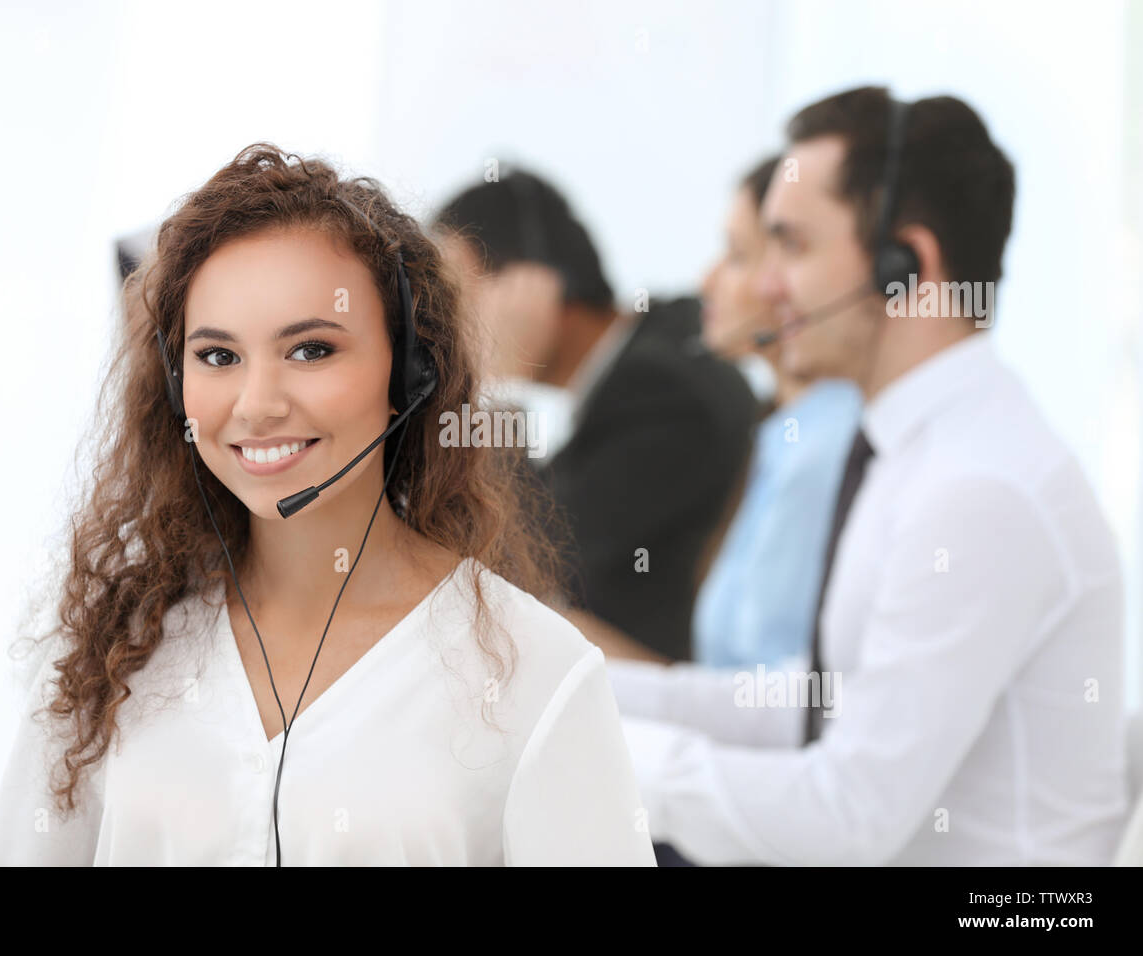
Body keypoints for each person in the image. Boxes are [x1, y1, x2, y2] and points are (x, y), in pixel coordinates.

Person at [0, 143, 656, 866]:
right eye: (217, 356)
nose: (258, 405)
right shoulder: (117, 646)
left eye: (310, 351)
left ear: (411, 370)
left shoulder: (534, 672)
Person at [606, 87, 1128, 865]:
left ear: (902, 265)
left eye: (792, 246)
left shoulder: (977, 487)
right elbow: (824, 701)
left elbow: (847, 819)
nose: (767, 285)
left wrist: (601, 756)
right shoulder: (912, 450)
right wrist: (579, 690)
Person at [434, 170, 756, 662]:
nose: (443, 328)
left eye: (453, 296)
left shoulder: (666, 390)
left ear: (529, 284)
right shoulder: (642, 361)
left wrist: (501, 385)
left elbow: (522, 559)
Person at [692, 155, 863, 669]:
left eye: (737, 254)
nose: (708, 280)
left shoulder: (823, 448)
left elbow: (770, 692)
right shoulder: (787, 435)